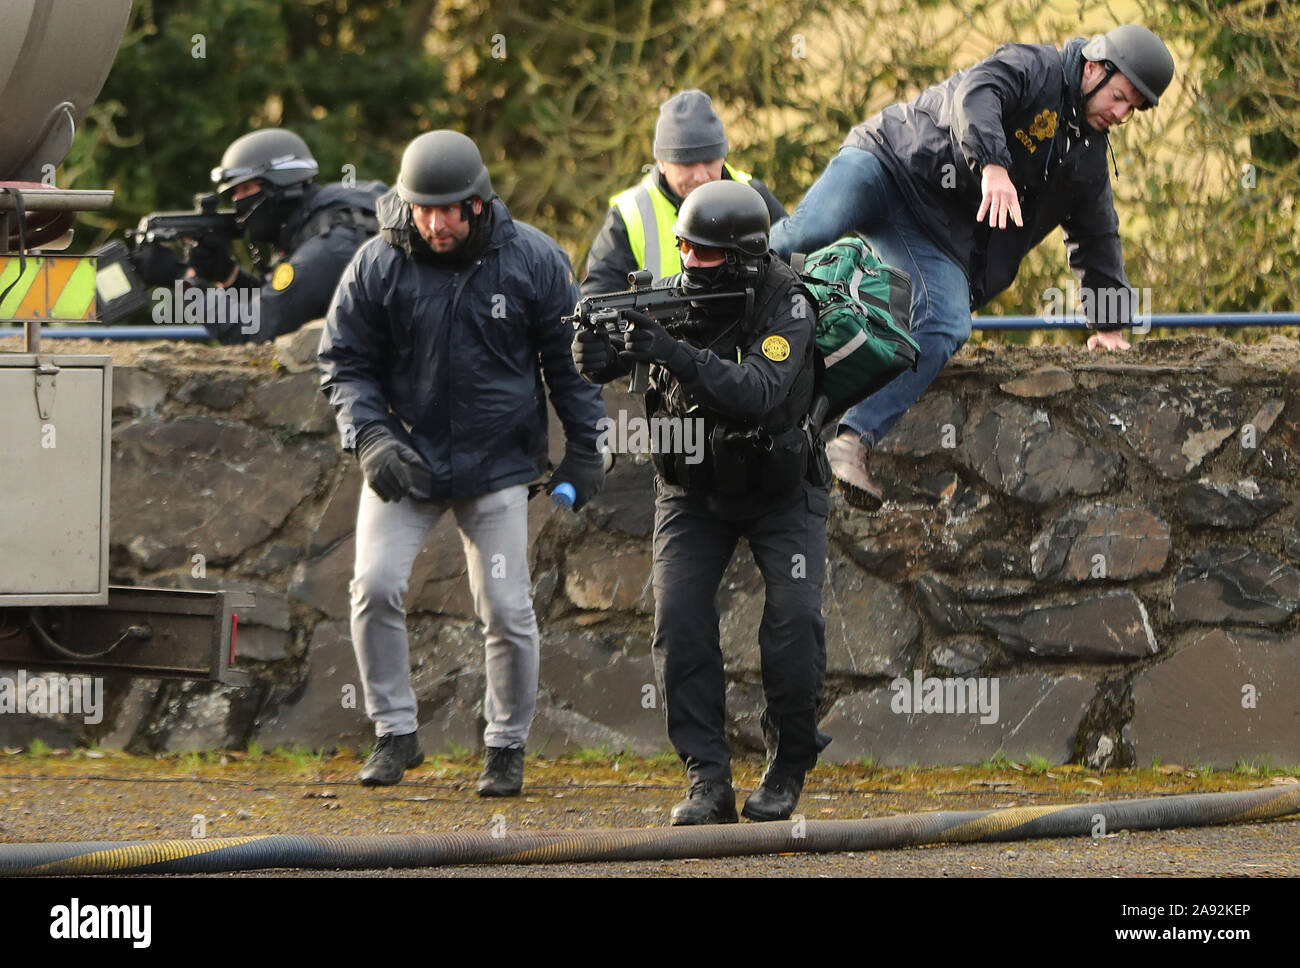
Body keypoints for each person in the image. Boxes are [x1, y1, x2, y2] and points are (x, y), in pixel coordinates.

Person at [769, 24, 1175, 508]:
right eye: (1119, 97)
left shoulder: (1086, 158)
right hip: (888, 161)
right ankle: (717, 290)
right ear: (1093, 68)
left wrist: (1109, 324)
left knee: (947, 324)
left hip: (934, 235)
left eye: (1132, 109)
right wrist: (993, 166)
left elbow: (1097, 237)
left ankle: (852, 441)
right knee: (804, 235)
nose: (1120, 113)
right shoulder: (1034, 67)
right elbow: (976, 95)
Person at [318, 130, 606, 794]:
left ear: (476, 203)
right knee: (374, 586)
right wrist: (371, 438)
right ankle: (395, 733)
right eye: (422, 211)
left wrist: (586, 449)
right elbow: (344, 363)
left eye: (447, 211)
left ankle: (505, 746)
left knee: (504, 607)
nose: (434, 225)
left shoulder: (533, 259)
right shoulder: (377, 262)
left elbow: (570, 365)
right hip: (404, 458)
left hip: (497, 464)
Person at [572, 180, 831, 825]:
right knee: (680, 620)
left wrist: (671, 351)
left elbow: (757, 391)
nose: (689, 260)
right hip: (690, 487)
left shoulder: (788, 305)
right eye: (684, 245)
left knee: (795, 622)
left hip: (780, 488)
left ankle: (788, 766)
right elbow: (614, 360)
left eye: (705, 251)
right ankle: (706, 780)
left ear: (743, 256)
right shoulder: (674, 295)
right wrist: (597, 355)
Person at [133, 127, 385, 344]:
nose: (238, 202)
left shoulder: (325, 251)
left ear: (280, 185)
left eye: (247, 188)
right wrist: (228, 275)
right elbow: (279, 303)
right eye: (234, 193)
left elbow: (254, 328)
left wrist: (183, 279)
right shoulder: (329, 218)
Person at [581, 89, 787, 297]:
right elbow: (598, 298)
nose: (701, 176)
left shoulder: (753, 197)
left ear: (723, 157)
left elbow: (792, 269)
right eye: (687, 164)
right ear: (661, 163)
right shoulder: (629, 214)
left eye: (709, 161)